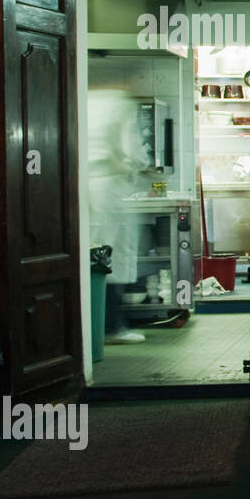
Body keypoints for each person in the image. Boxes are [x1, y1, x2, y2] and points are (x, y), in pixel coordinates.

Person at [87, 88, 151, 344]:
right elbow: (130, 146)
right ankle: (113, 327)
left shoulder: (85, 99)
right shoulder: (119, 103)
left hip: (88, 185)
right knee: (115, 257)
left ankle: (95, 324)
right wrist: (141, 164)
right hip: (110, 185)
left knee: (94, 255)